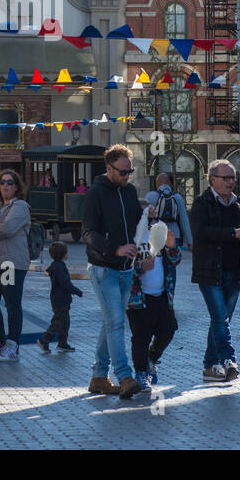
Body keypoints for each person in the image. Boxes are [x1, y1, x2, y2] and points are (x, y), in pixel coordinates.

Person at [80, 143, 144, 398]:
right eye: (123, 172)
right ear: (109, 168)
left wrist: (144, 243)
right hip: (103, 268)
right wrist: (115, 249)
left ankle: (98, 376)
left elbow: (138, 223)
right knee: (116, 322)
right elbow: (88, 233)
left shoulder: (129, 192)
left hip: (126, 269)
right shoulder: (95, 193)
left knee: (111, 323)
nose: (127, 176)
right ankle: (125, 376)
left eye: (130, 171)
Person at [190, 158, 240, 383]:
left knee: (222, 319)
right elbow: (201, 233)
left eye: (233, 177)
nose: (231, 182)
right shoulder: (202, 203)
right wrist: (233, 233)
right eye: (226, 178)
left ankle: (210, 366)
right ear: (212, 179)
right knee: (220, 318)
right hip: (210, 271)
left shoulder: (239, 203)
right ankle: (229, 360)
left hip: (235, 270)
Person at [127, 191, 182, 389]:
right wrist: (141, 268)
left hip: (162, 296)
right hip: (138, 299)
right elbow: (122, 267)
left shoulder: (157, 233)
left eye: (151, 215)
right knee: (140, 336)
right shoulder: (131, 237)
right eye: (146, 215)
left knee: (168, 330)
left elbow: (175, 261)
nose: (149, 219)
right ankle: (141, 372)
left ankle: (152, 359)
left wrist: (172, 246)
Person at [0, 168, 31, 361]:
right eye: (2, 182)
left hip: (10, 264)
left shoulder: (20, 206)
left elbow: (8, 229)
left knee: (11, 303)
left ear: (16, 187)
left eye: (10, 182)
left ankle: (13, 344)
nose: (5, 185)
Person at [38, 241, 82, 352]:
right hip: (60, 299)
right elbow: (65, 283)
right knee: (58, 322)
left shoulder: (57, 266)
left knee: (65, 322)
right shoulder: (59, 268)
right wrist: (76, 291)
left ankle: (62, 343)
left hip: (59, 299)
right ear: (64, 255)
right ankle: (44, 340)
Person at [154, 172, 193, 248]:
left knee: (157, 259)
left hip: (156, 236)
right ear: (169, 183)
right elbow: (184, 221)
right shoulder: (177, 197)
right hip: (174, 235)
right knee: (174, 258)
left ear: (157, 184)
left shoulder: (152, 196)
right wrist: (190, 241)